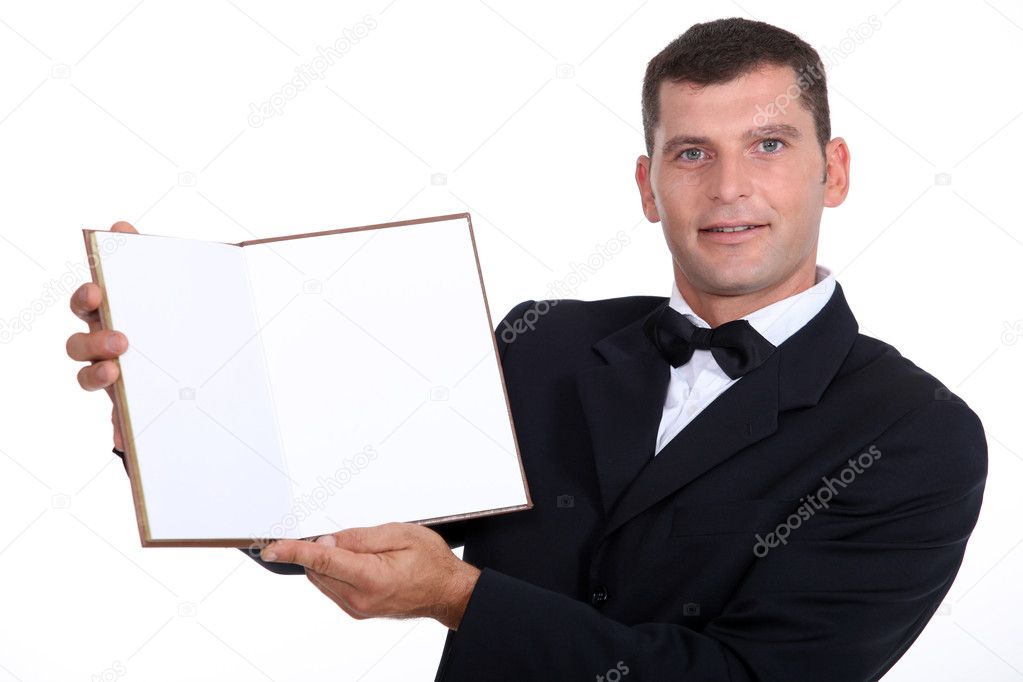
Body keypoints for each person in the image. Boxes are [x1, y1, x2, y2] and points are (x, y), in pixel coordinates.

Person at [67, 17, 987, 682]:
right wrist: (169, 409)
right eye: (691, 153)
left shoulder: (919, 435)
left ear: (833, 172)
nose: (729, 187)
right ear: (646, 183)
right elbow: (326, 510)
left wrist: (460, 599)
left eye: (769, 144)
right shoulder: (543, 340)